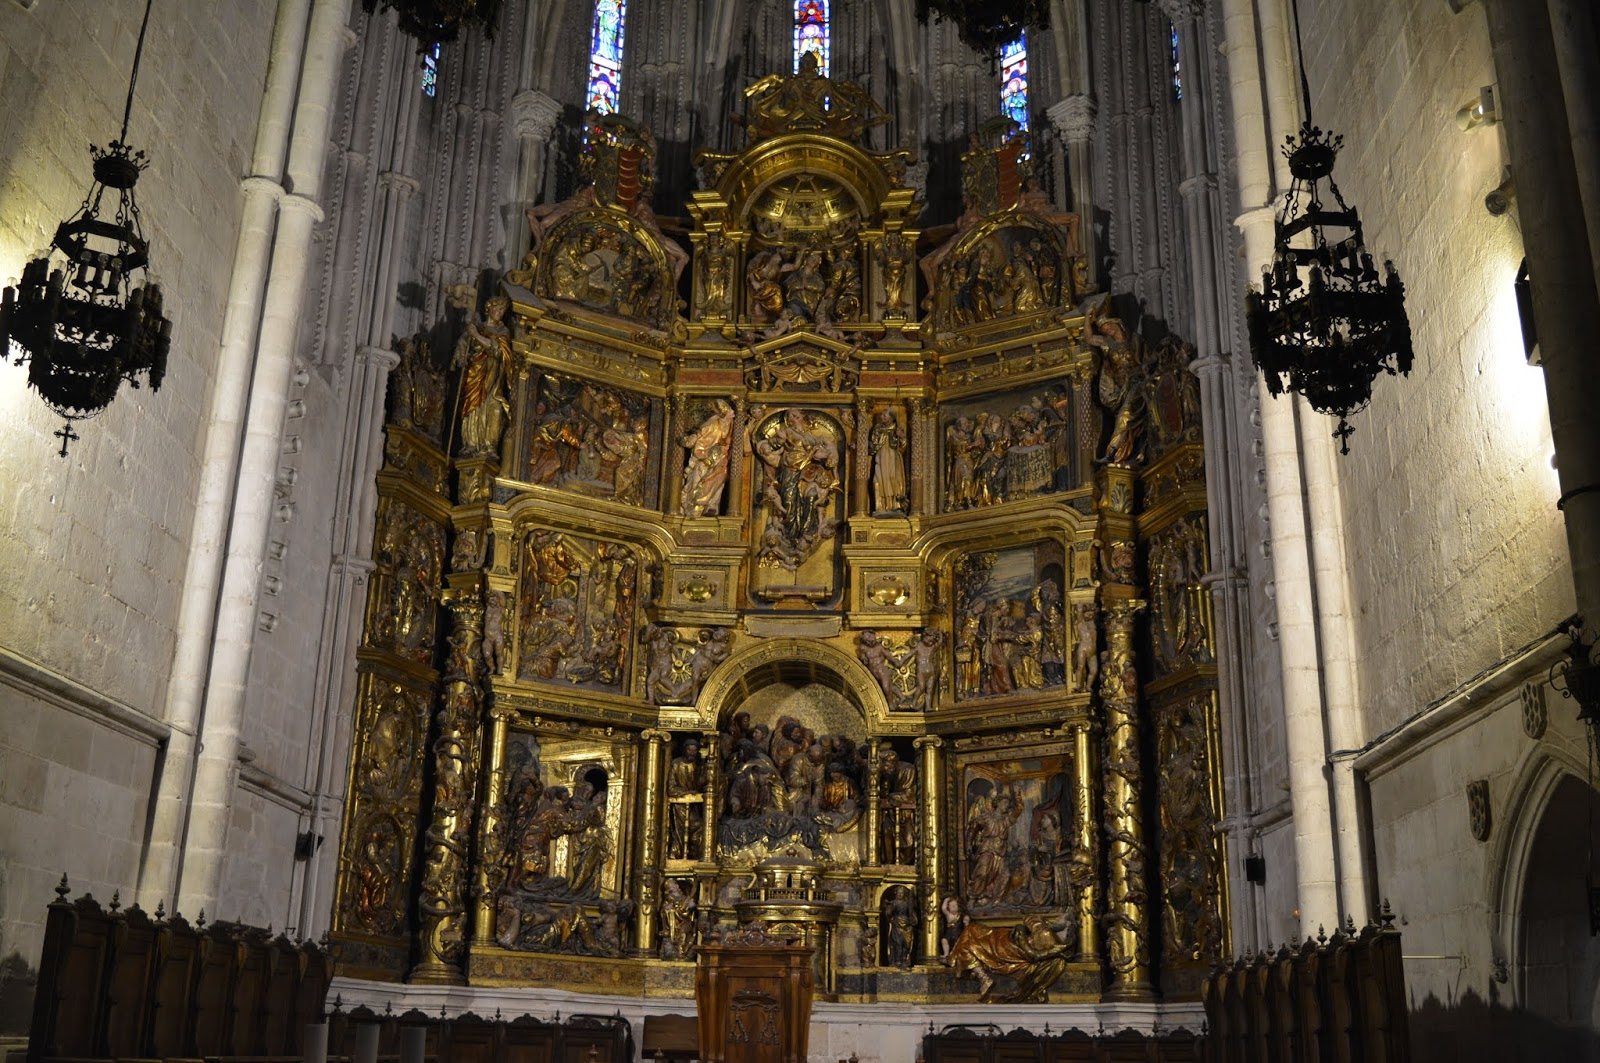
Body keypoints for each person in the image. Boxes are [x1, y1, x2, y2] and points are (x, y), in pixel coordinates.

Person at [454, 295, 513, 457]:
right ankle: (471, 444)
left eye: (503, 310)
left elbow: (498, 351)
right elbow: (463, 345)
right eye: (497, 309)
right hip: (474, 372)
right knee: (471, 405)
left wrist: (476, 336)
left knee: (492, 406)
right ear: (489, 309)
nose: (500, 313)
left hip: (492, 375)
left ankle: (488, 446)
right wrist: (462, 349)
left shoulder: (503, 331)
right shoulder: (476, 327)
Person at [680, 400, 736, 517]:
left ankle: (712, 506)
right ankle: (693, 507)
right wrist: (706, 456)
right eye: (730, 410)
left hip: (723, 460)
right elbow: (701, 442)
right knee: (698, 480)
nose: (732, 412)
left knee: (719, 481)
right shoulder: (713, 425)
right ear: (724, 413)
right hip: (706, 459)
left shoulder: (734, 426)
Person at [869, 408, 908, 514]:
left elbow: (903, 447)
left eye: (885, 415)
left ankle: (896, 505)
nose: (882, 417)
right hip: (880, 458)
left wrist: (902, 437)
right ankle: (881, 506)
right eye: (881, 415)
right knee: (878, 480)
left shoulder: (897, 429)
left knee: (893, 479)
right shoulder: (878, 429)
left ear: (892, 418)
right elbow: (873, 445)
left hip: (892, 457)